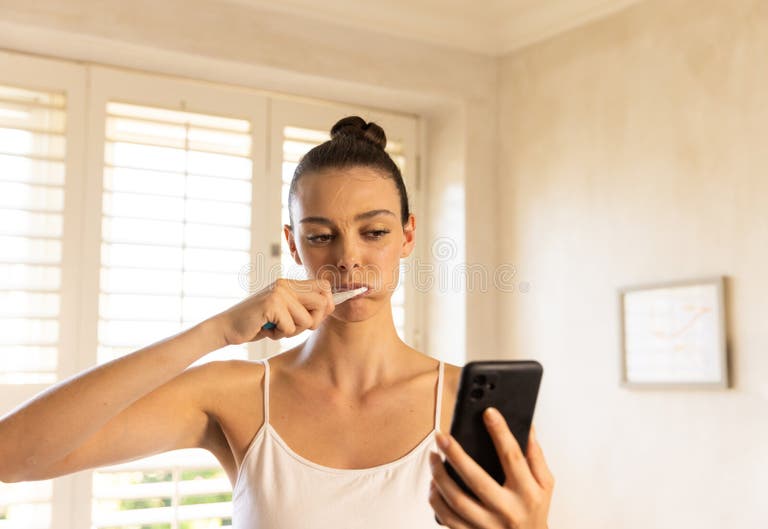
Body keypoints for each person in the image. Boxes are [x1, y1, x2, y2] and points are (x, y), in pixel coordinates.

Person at [0, 116, 555, 528]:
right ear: (293, 244)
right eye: (320, 235)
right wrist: (214, 331)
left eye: (375, 231)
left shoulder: (467, 404)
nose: (349, 258)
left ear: (407, 235)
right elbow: (13, 455)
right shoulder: (235, 396)